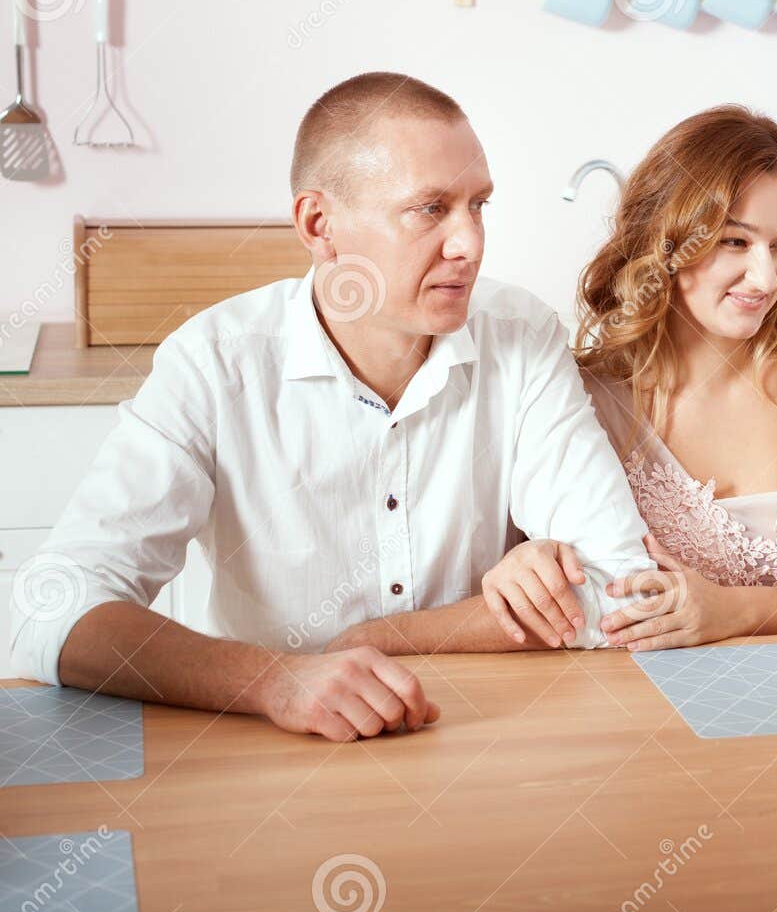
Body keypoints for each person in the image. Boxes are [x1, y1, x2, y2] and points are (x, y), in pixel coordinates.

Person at [8, 72, 652, 741]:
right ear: (321, 225)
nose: (469, 243)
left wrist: (375, 637)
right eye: (430, 208)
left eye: (478, 205)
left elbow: (625, 589)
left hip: (482, 736)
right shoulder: (214, 362)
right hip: (270, 753)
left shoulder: (521, 334)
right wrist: (277, 680)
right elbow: (48, 608)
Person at [481, 105, 777, 652]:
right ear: (665, 241)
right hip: (678, 693)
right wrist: (522, 563)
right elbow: (560, 583)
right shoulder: (584, 397)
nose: (766, 276)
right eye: (735, 241)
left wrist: (733, 611)